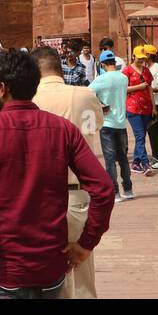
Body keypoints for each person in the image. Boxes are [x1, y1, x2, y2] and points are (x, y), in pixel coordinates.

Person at [0, 49, 114, 300]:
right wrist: (86, 244)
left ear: (2, 88)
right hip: (50, 266)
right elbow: (104, 189)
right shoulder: (63, 130)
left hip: (3, 267)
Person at [30, 45, 105, 298]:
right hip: (76, 194)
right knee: (82, 279)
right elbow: (96, 126)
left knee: (46, 277)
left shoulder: (27, 99)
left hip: (37, 198)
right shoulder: (84, 94)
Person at [89, 51, 133, 201]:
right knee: (123, 158)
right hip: (121, 123)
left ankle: (115, 192)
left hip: (107, 123)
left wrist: (99, 104)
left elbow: (87, 93)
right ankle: (128, 189)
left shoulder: (101, 79)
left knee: (110, 159)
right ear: (114, 62)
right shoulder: (124, 78)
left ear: (102, 64)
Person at [124, 46, 155, 174]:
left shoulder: (146, 71)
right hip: (133, 108)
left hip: (146, 107)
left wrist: (154, 107)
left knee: (141, 136)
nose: (141, 60)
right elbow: (124, 89)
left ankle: (135, 163)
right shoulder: (127, 71)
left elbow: (150, 89)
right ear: (133, 56)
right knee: (139, 135)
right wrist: (138, 86)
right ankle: (145, 163)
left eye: (143, 58)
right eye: (139, 57)